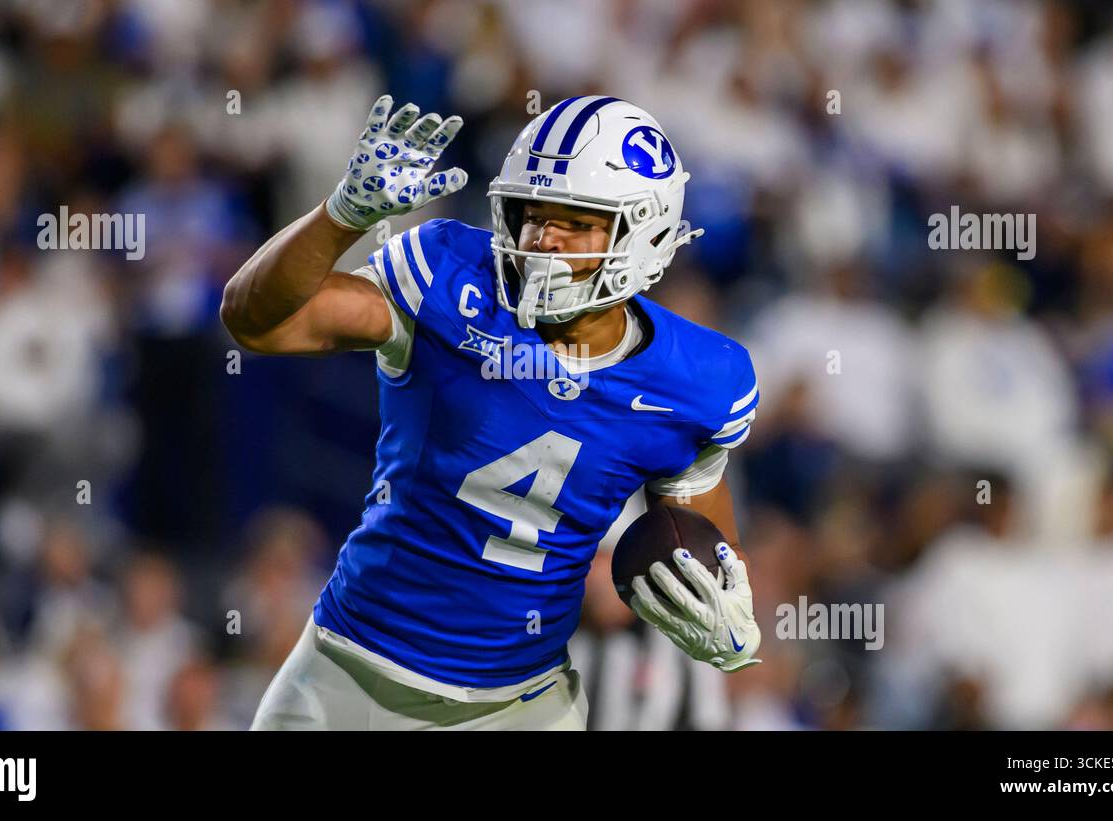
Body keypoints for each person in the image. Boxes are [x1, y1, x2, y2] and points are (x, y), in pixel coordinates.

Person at [222, 94, 762, 730]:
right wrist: (339, 217)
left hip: (519, 703)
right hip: (350, 670)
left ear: (646, 235)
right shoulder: (450, 276)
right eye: (533, 215)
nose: (542, 239)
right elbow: (256, 322)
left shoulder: (698, 381)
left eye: (575, 222)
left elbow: (697, 541)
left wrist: (725, 616)